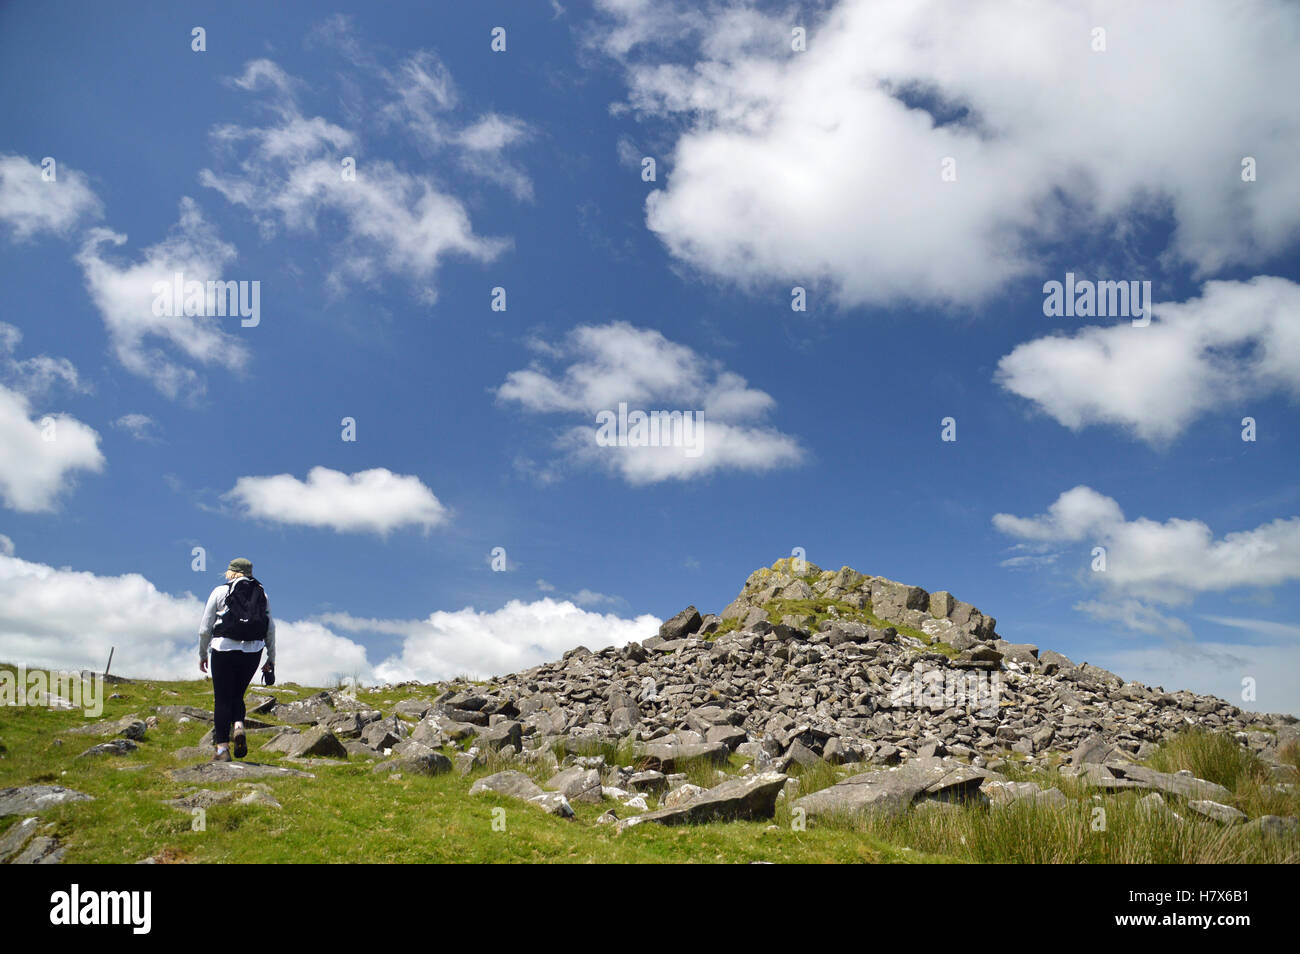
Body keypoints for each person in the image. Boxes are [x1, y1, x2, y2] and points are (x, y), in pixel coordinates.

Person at [198, 557, 276, 762]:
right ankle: (239, 726)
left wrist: (202, 654)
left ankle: (223, 749)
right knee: (237, 695)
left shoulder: (220, 591)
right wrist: (271, 658)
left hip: (224, 647)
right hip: (253, 651)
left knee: (222, 698)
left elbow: (205, 628)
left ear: (230, 572)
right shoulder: (262, 593)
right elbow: (270, 628)